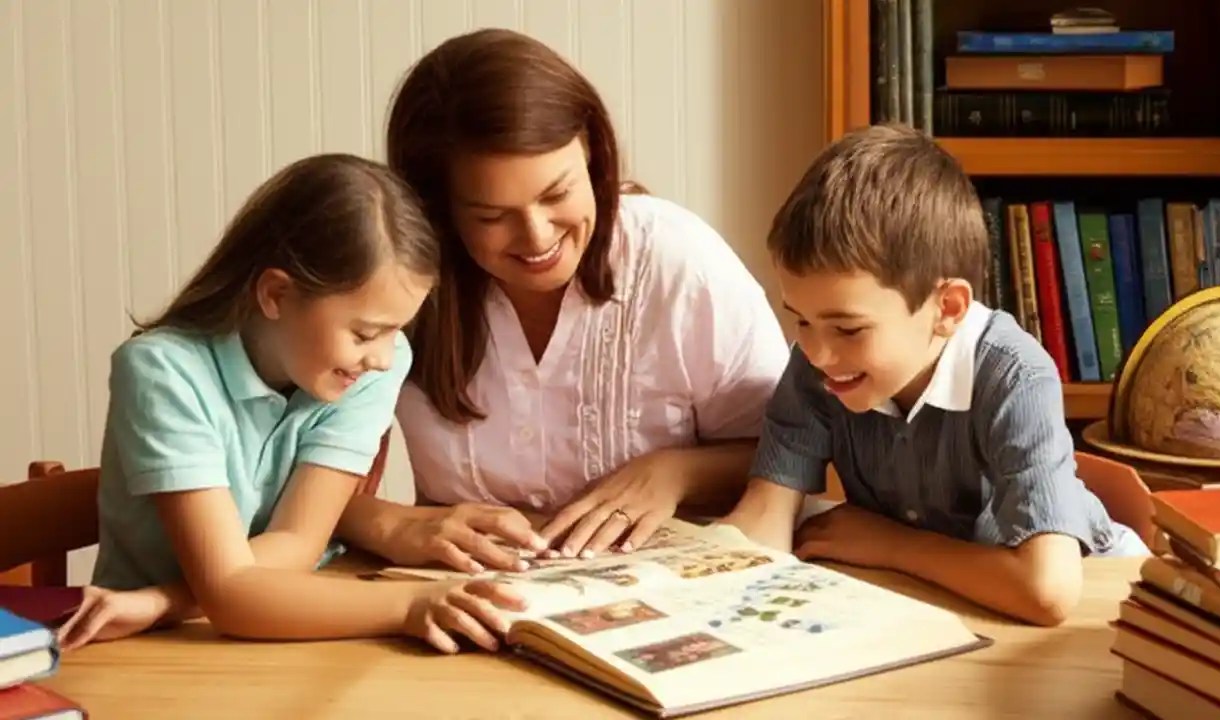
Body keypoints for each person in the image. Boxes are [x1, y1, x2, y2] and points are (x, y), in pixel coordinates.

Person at [336, 28, 789, 575]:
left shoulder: (677, 261)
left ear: (593, 154)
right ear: (440, 211)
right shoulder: (399, 284)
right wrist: (391, 523)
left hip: (669, 594)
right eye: (491, 216)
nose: (536, 237)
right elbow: (291, 483)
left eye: (557, 194)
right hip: (462, 598)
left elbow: (794, 452)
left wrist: (674, 473)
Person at [58, 153, 525, 655]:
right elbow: (232, 592)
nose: (385, 357)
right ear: (277, 294)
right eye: (366, 332)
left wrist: (163, 599)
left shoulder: (363, 370)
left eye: (397, 330)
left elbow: (299, 543)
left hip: (284, 633)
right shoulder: (164, 373)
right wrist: (411, 605)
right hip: (143, 652)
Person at [720, 124, 1149, 627]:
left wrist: (891, 545)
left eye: (849, 328)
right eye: (801, 319)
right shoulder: (820, 359)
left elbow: (1047, 592)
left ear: (946, 307)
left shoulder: (1015, 376)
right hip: (945, 599)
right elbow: (764, 517)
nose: (816, 351)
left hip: (1100, 596)